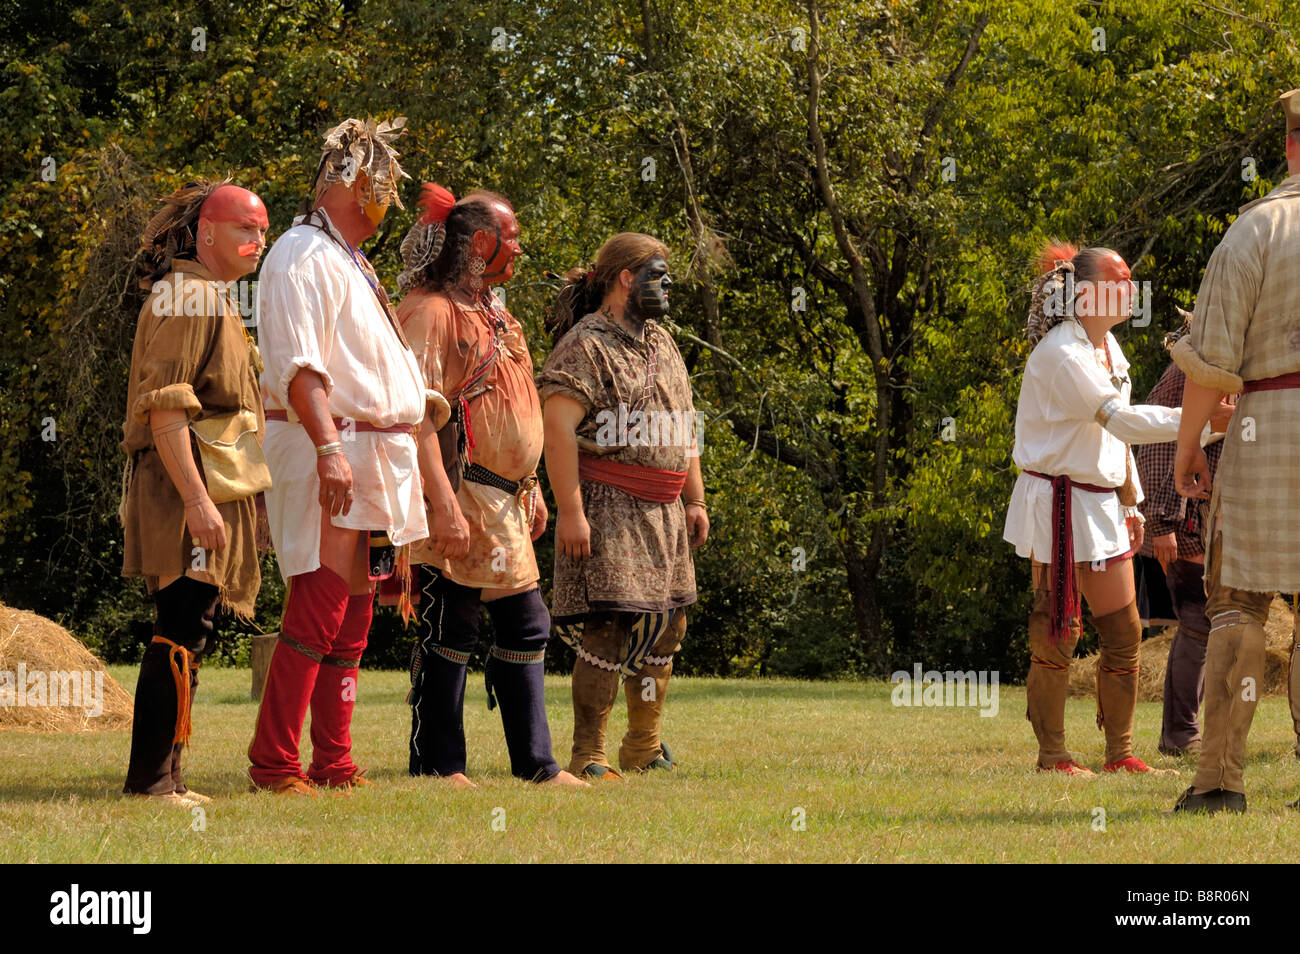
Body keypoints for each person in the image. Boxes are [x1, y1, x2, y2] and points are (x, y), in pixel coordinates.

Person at [249, 116, 427, 795]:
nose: (391, 202)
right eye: (383, 185)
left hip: (372, 453)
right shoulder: (300, 255)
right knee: (319, 605)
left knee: (352, 618)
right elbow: (300, 369)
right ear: (350, 182)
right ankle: (273, 764)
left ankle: (334, 760)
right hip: (334, 443)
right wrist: (328, 447)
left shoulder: (349, 261)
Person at [396, 183, 586, 788]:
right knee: (450, 623)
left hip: (506, 498)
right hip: (457, 493)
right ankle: (438, 763)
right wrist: (443, 503)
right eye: (514, 237)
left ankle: (536, 765)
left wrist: (530, 485)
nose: (521, 249)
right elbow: (414, 416)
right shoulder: (430, 312)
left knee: (527, 626)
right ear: (481, 242)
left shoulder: (498, 315)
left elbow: (519, 407)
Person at [1004, 241, 1197, 776]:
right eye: (1120, 282)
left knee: (1124, 631)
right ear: (1086, 295)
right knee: (1055, 631)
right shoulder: (1064, 354)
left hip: (1099, 500)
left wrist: (1129, 499)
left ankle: (1120, 754)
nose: (1132, 292)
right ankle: (1053, 757)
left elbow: (1116, 441)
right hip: (1056, 502)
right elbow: (1122, 421)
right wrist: (1199, 422)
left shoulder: (1107, 346)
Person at [1171, 88, 1300, 814]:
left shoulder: (1255, 230)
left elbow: (1212, 363)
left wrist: (1190, 449)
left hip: (1269, 422)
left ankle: (1219, 782)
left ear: (1288, 143)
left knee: (1239, 605)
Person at [537, 233, 708, 779]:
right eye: (658, 275)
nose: (668, 284)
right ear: (626, 279)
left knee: (667, 628)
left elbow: (686, 427)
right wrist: (571, 510)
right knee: (609, 627)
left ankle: (644, 745)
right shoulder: (585, 345)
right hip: (607, 507)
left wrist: (695, 499)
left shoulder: (664, 342)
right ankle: (589, 753)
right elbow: (558, 431)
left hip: (665, 512)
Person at [121, 180, 269, 804]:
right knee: (180, 623)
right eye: (244, 229)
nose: (257, 242)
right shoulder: (187, 297)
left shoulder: (213, 297)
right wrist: (199, 502)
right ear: (206, 232)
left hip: (208, 486)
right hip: (184, 490)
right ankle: (152, 781)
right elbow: (165, 410)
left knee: (193, 624)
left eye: (262, 230)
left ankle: (169, 776)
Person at [1134, 308, 1231, 758]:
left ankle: (1191, 731)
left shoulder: (1213, 369)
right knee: (1197, 621)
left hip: (1203, 516)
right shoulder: (1188, 372)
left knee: (1208, 623)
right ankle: (1179, 734)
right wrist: (1161, 522)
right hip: (1184, 518)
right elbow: (1156, 442)